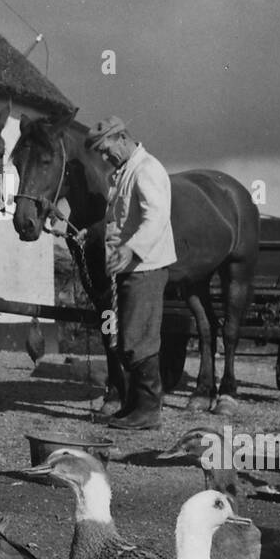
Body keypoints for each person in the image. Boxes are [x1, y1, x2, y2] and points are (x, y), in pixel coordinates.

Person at [84, 116, 177, 431]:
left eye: (106, 150)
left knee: (139, 339)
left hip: (145, 268)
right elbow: (119, 221)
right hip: (129, 268)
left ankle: (150, 410)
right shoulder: (122, 173)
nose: (104, 158)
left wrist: (130, 250)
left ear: (122, 137)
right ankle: (135, 406)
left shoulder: (147, 170)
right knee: (126, 339)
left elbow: (156, 219)